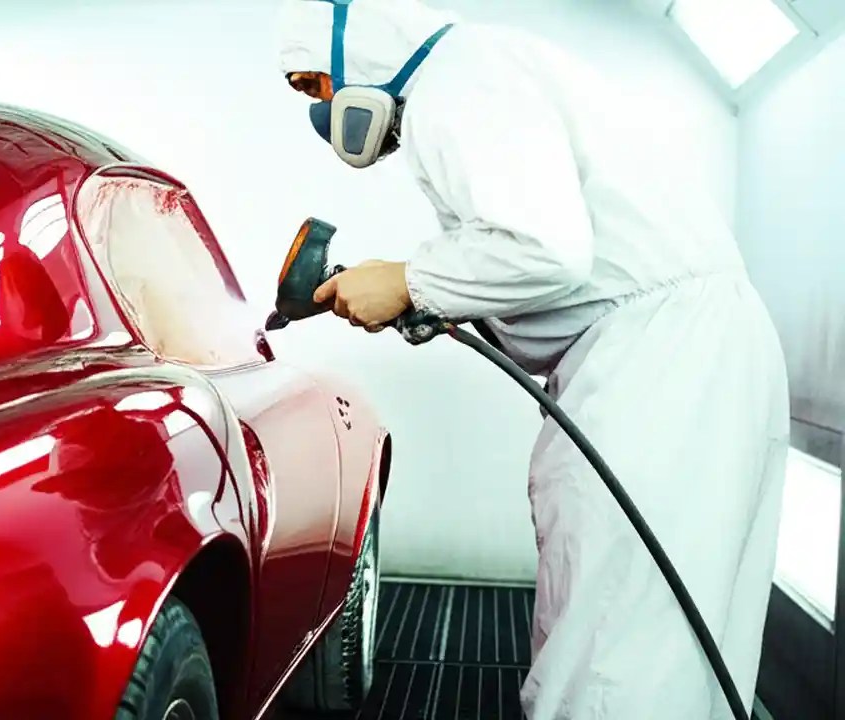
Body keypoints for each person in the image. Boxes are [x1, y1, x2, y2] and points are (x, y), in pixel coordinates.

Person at [275, 0, 791, 717]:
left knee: (613, 650)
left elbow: (547, 249)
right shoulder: (483, 71)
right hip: (694, 356)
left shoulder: (456, 80)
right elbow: (542, 254)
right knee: (669, 646)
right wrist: (427, 297)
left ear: (352, 48)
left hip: (664, 371)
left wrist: (411, 280)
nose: (320, 110)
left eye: (313, 85)